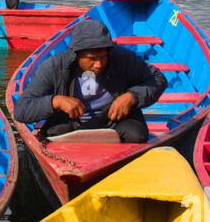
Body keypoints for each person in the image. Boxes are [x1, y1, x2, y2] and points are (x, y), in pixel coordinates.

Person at [13, 20, 167, 143]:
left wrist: (132, 96)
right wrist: (55, 101)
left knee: (136, 135)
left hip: (113, 121)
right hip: (72, 122)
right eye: (92, 59)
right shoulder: (55, 66)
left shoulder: (122, 59)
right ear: (76, 54)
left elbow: (157, 79)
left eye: (103, 57)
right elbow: (22, 110)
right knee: (55, 135)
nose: (99, 64)